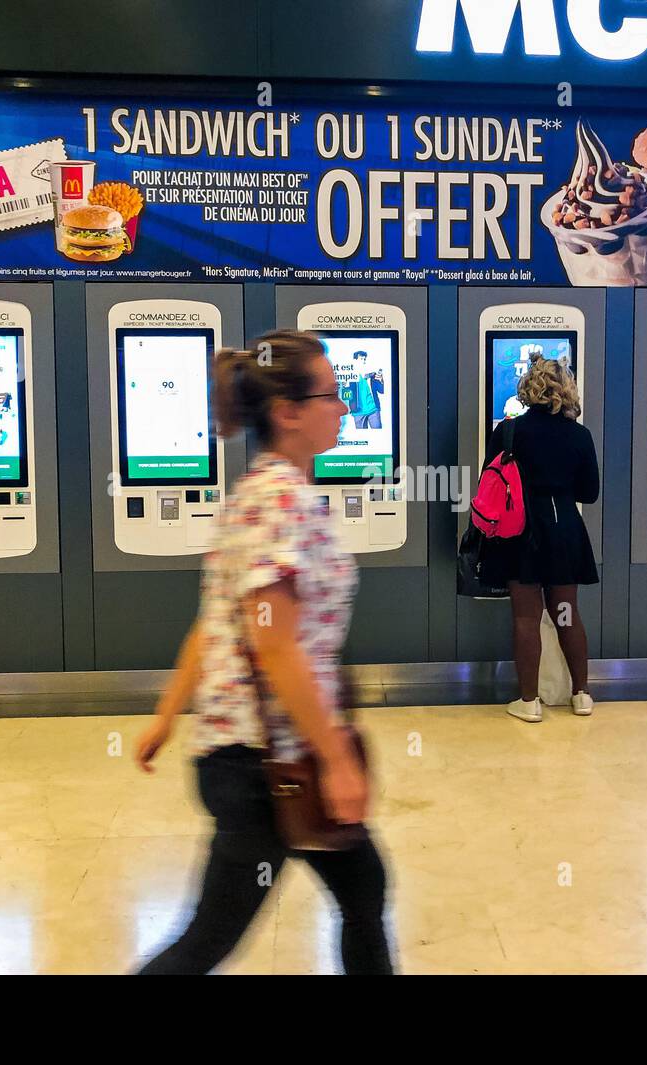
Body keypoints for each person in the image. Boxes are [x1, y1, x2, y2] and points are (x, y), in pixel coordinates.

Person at [134, 330, 394, 976]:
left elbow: (213, 623)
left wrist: (166, 717)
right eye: (333, 395)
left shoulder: (257, 495)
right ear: (288, 412)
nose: (345, 407)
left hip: (266, 749)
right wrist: (336, 759)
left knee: (363, 886)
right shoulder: (280, 499)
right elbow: (272, 641)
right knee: (209, 938)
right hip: (262, 761)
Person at [481, 354, 600, 723]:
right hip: (564, 529)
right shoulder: (579, 434)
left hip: (521, 532)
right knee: (566, 614)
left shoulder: (509, 431)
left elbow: (492, 479)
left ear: (528, 387)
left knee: (526, 618)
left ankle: (529, 701)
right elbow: (590, 492)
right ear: (566, 389)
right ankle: (581, 694)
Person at [347, 351, 384, 429]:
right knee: (362, 438)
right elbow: (345, 396)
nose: (363, 361)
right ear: (355, 360)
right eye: (361, 359)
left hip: (373, 409)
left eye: (364, 359)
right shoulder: (348, 376)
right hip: (358, 412)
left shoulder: (372, 374)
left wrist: (381, 380)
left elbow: (381, 391)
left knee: (378, 436)